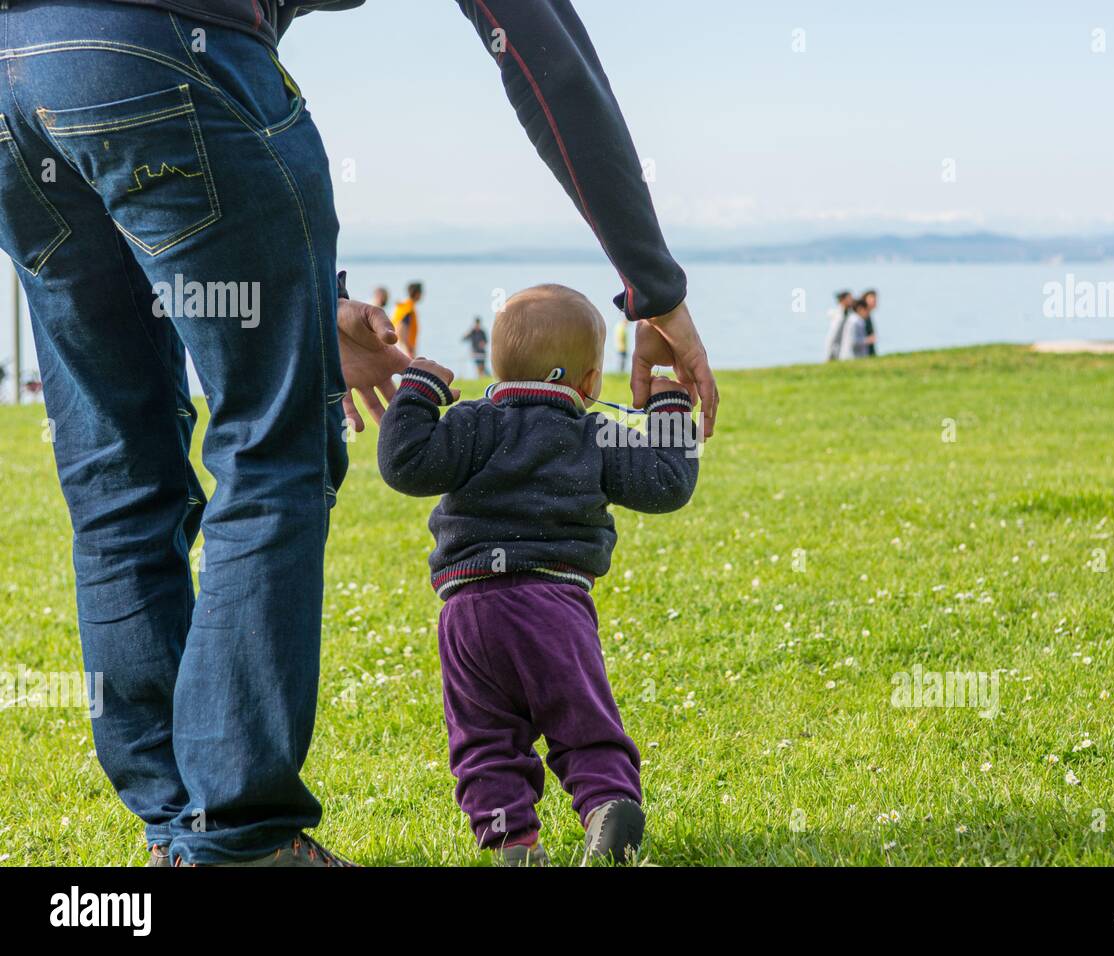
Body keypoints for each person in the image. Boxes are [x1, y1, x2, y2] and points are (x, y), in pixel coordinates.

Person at [0, 0, 716, 867]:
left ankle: (177, 834)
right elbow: (546, 58)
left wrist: (315, 294)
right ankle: (238, 843)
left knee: (116, 474)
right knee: (271, 454)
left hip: (13, 79)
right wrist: (653, 287)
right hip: (166, 58)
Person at [377, 284, 699, 865]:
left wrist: (419, 392)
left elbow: (403, 463)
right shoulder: (594, 433)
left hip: (469, 612)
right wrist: (671, 401)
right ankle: (606, 804)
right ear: (590, 382)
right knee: (580, 718)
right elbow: (667, 483)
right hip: (555, 606)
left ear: (498, 366)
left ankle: (512, 840)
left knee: (484, 735)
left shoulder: (472, 424)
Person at [393, 281, 423, 358]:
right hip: (404, 351)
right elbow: (400, 330)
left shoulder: (403, 306)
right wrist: (408, 352)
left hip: (398, 348)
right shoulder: (408, 309)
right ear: (418, 294)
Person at [824, 290, 854, 361]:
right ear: (843, 300)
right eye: (849, 298)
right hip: (835, 346)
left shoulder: (849, 313)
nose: (852, 300)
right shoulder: (838, 315)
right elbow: (833, 335)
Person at [860, 289, 879, 356]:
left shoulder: (869, 316)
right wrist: (867, 340)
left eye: (875, 298)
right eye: (872, 297)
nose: (875, 300)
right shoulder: (859, 317)